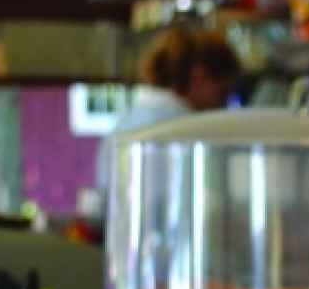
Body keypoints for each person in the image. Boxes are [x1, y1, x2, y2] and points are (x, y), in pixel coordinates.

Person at [89, 27, 242, 215]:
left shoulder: (125, 122)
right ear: (199, 76)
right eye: (223, 92)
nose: (224, 105)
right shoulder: (189, 132)